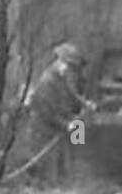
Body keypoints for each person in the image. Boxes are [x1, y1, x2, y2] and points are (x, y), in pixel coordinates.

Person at [21, 42, 94, 182]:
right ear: (61, 63)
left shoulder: (63, 79)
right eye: (71, 67)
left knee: (76, 138)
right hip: (45, 132)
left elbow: (73, 95)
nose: (73, 71)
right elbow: (46, 112)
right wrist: (67, 125)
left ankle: (78, 174)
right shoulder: (48, 82)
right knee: (48, 172)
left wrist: (85, 104)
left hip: (61, 125)